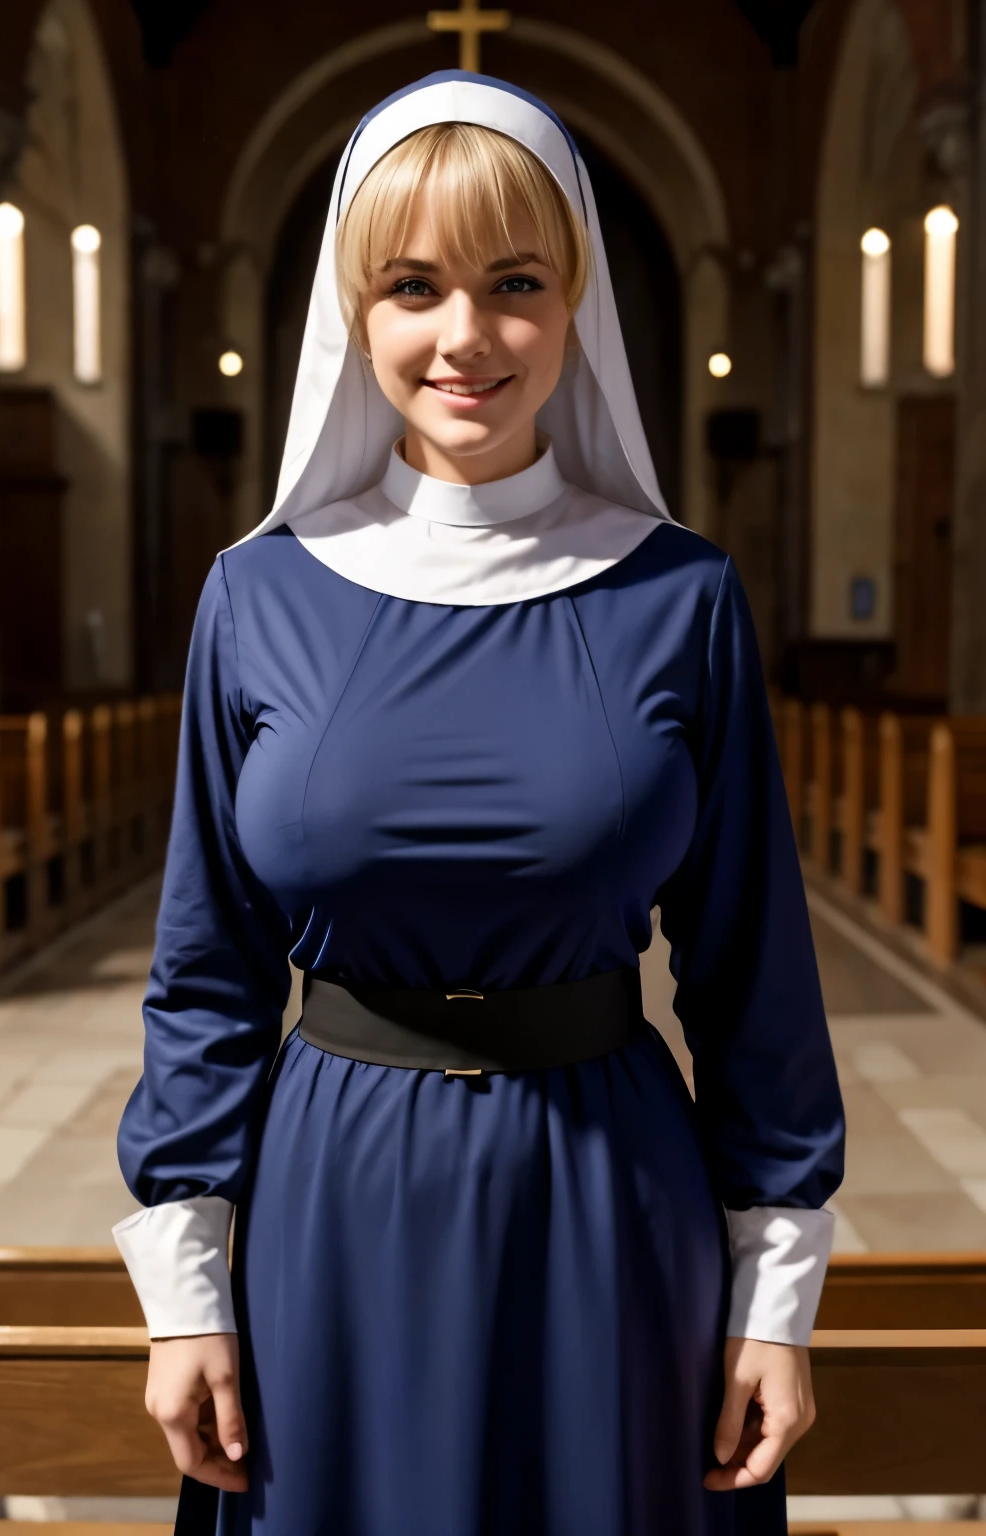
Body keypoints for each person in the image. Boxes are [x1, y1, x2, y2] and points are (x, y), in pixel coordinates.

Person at [112, 72, 845, 1536]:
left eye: (516, 282)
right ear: (355, 311)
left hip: (611, 1204)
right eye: (412, 285)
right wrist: (185, 1290)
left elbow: (751, 968)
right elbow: (207, 971)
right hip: (331, 1197)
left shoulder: (677, 593)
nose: (466, 337)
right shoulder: (258, 596)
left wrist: (778, 1296)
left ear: (576, 301)